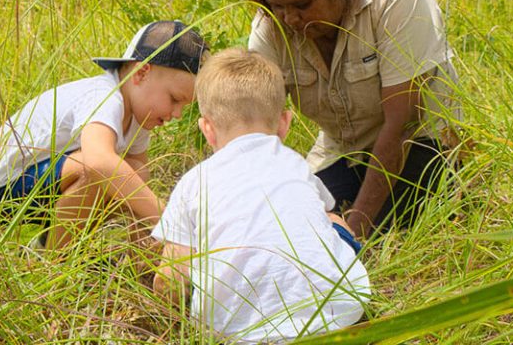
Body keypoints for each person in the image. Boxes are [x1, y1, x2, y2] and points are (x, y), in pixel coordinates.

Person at [248, 0, 462, 239]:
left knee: (391, 227)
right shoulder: (270, 29)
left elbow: (402, 125)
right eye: (278, 6)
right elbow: (253, 130)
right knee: (297, 223)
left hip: (420, 142)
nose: (290, 19)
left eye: (303, 5)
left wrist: (354, 231)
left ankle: (456, 192)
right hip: (345, 149)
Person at [152, 49, 370, 343]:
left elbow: (172, 277)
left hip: (236, 333)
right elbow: (328, 219)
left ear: (207, 129)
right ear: (285, 122)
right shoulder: (297, 166)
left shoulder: (194, 182)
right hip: (338, 319)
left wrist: (170, 321)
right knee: (333, 220)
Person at [0, 20, 210, 250]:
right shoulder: (104, 95)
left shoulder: (139, 119)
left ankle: (46, 241)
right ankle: (52, 259)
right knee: (99, 170)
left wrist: (145, 246)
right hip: (3, 188)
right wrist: (168, 221)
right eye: (174, 99)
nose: (179, 113)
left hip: (43, 187)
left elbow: (138, 182)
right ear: (141, 73)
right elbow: (98, 162)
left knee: (134, 172)